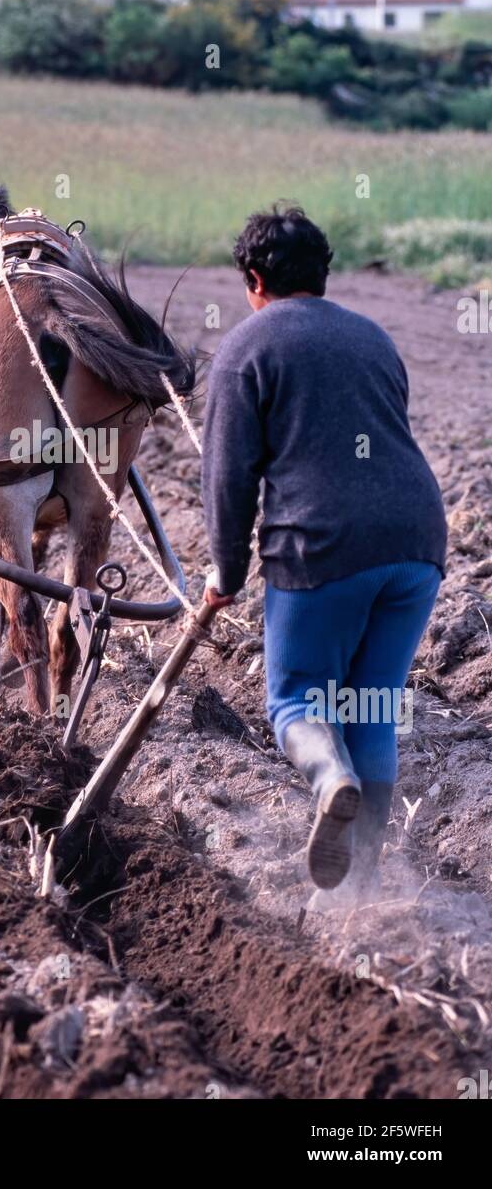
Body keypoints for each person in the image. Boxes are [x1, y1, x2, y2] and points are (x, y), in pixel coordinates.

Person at [200, 206, 447, 905]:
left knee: (296, 700)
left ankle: (327, 779)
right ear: (322, 275)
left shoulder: (246, 347)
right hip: (417, 539)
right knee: (372, 705)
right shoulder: (371, 337)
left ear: (253, 279)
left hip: (322, 543)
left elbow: (227, 474)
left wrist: (225, 573)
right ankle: (357, 890)